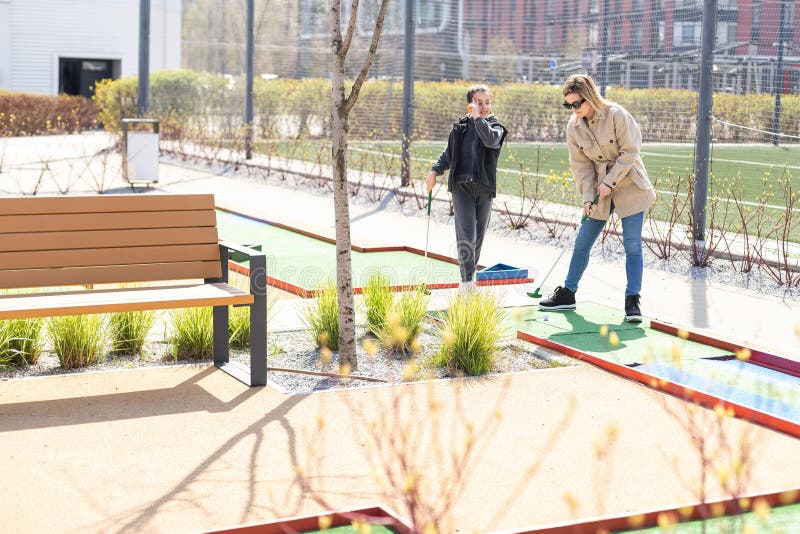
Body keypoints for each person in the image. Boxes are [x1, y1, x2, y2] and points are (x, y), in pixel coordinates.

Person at [538, 74, 656, 322]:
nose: (573, 109)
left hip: (629, 183)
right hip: (598, 189)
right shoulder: (574, 128)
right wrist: (588, 198)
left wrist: (609, 182)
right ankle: (568, 293)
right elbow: (580, 167)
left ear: (590, 97)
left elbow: (631, 152)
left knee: (632, 244)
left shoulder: (617, 114)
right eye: (568, 105)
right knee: (583, 240)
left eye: (577, 103)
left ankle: (632, 300)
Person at [425, 84, 508, 293]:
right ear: (470, 105)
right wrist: (434, 171)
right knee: (466, 233)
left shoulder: (496, 127)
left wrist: (478, 118)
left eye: (487, 102)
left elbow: (489, 141)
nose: (484, 107)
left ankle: (469, 280)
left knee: (478, 235)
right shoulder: (459, 128)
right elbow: (448, 155)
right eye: (479, 103)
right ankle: (466, 282)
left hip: (485, 188)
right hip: (461, 187)